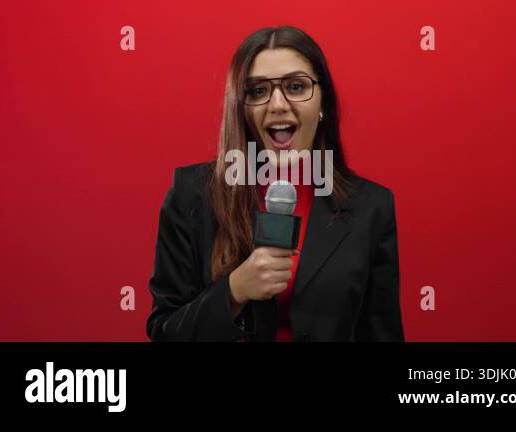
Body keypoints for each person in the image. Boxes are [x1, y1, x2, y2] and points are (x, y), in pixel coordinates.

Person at [146, 26, 404, 342]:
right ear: (240, 107)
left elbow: (382, 335)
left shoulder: (371, 206)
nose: (278, 104)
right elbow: (164, 332)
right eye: (257, 91)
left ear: (323, 103)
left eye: (296, 86)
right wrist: (235, 290)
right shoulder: (192, 194)